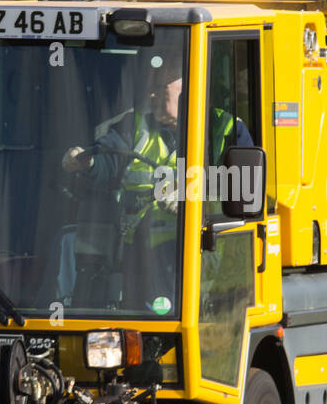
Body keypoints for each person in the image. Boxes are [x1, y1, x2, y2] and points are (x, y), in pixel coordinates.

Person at [60, 64, 252, 306]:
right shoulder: (135, 125)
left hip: (201, 258)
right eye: (152, 88)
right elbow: (109, 156)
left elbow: (246, 190)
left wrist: (191, 196)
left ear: (190, 88)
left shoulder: (226, 129)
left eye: (161, 87)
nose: (152, 95)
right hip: (138, 258)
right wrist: (87, 161)